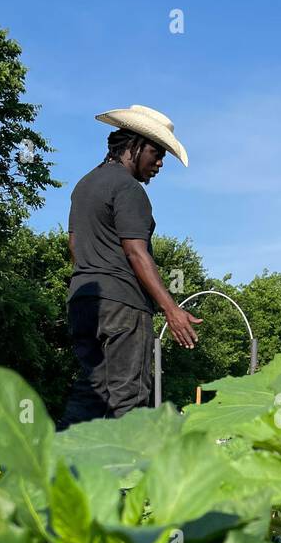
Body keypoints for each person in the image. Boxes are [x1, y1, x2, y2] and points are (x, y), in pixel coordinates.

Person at [61, 105, 200, 427]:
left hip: (84, 300)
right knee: (130, 398)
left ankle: (56, 470)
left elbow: (74, 243)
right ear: (133, 146)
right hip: (122, 304)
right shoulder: (127, 188)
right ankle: (128, 478)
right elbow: (136, 252)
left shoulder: (85, 184)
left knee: (90, 392)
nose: (160, 163)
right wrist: (171, 309)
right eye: (156, 152)